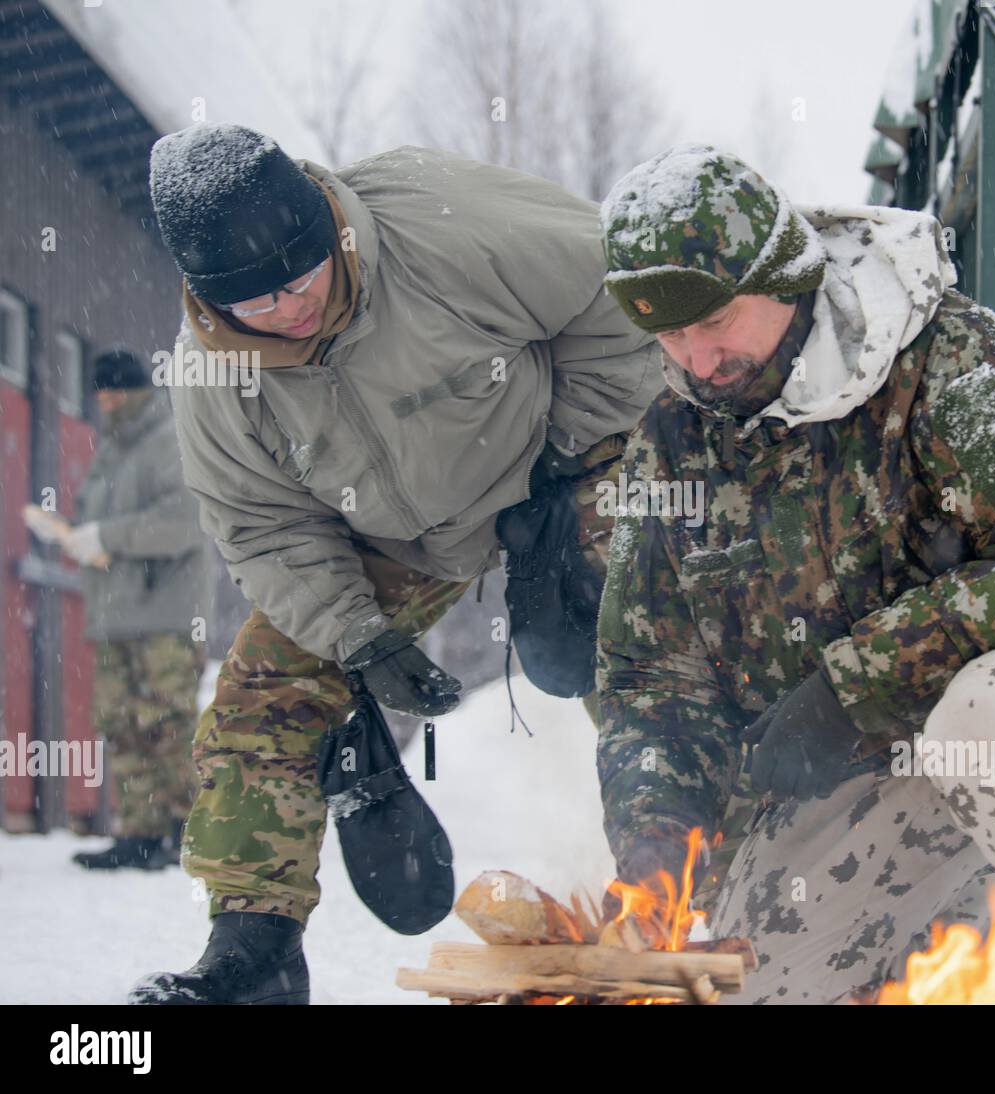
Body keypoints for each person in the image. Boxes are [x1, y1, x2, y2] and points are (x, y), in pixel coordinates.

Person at [593, 145, 995, 1004]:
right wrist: (656, 841)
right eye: (669, 335)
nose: (698, 360)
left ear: (784, 275)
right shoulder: (673, 442)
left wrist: (854, 686)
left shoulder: (942, 354)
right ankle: (958, 928)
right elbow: (647, 676)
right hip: (869, 772)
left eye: (716, 321)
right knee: (743, 989)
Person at [129, 124, 660, 1004]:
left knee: (643, 641)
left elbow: (620, 300)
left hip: (557, 456)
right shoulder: (215, 381)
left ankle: (697, 876)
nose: (290, 309)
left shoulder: (447, 227)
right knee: (263, 694)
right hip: (386, 538)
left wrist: (562, 472)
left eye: (302, 279)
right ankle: (252, 952)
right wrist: (357, 637)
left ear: (329, 234)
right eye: (256, 304)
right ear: (210, 303)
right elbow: (264, 528)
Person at [69, 350, 208, 872]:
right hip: (115, 616)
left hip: (166, 617)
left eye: (113, 392)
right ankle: (139, 834)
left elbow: (183, 523)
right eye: (100, 393)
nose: (106, 402)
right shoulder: (112, 451)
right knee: (121, 724)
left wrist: (106, 535)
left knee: (166, 725)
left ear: (135, 391)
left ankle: (187, 832)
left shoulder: (168, 443)